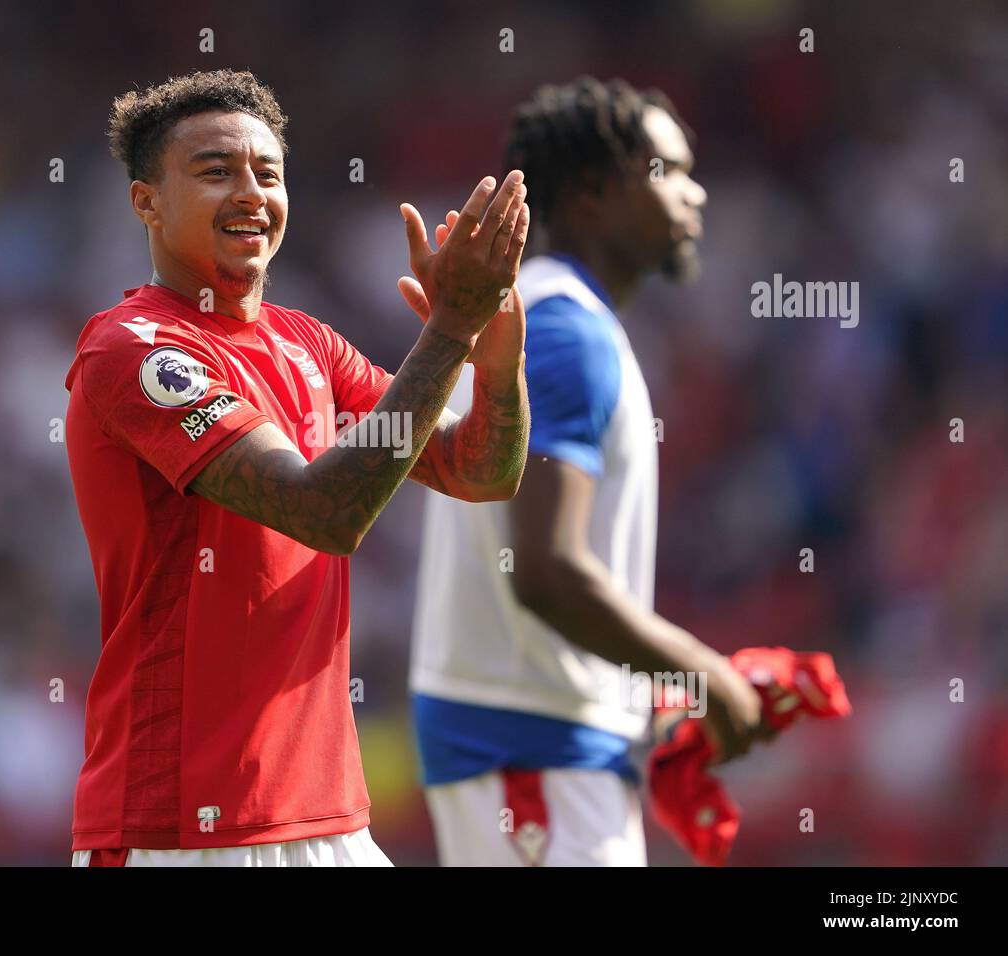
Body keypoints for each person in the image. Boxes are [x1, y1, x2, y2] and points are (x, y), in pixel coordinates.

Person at [62, 69, 531, 866]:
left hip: (331, 822)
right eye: (216, 171)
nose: (250, 192)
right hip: (184, 828)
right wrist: (447, 332)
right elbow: (324, 512)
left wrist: (492, 364)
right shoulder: (134, 350)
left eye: (268, 173)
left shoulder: (306, 342)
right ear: (146, 201)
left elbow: (478, 472)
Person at [409, 76, 769, 866]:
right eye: (667, 171)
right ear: (594, 193)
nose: (695, 194)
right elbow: (547, 571)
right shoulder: (567, 332)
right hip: (531, 753)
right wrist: (706, 677)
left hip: (532, 748)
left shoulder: (546, 316)